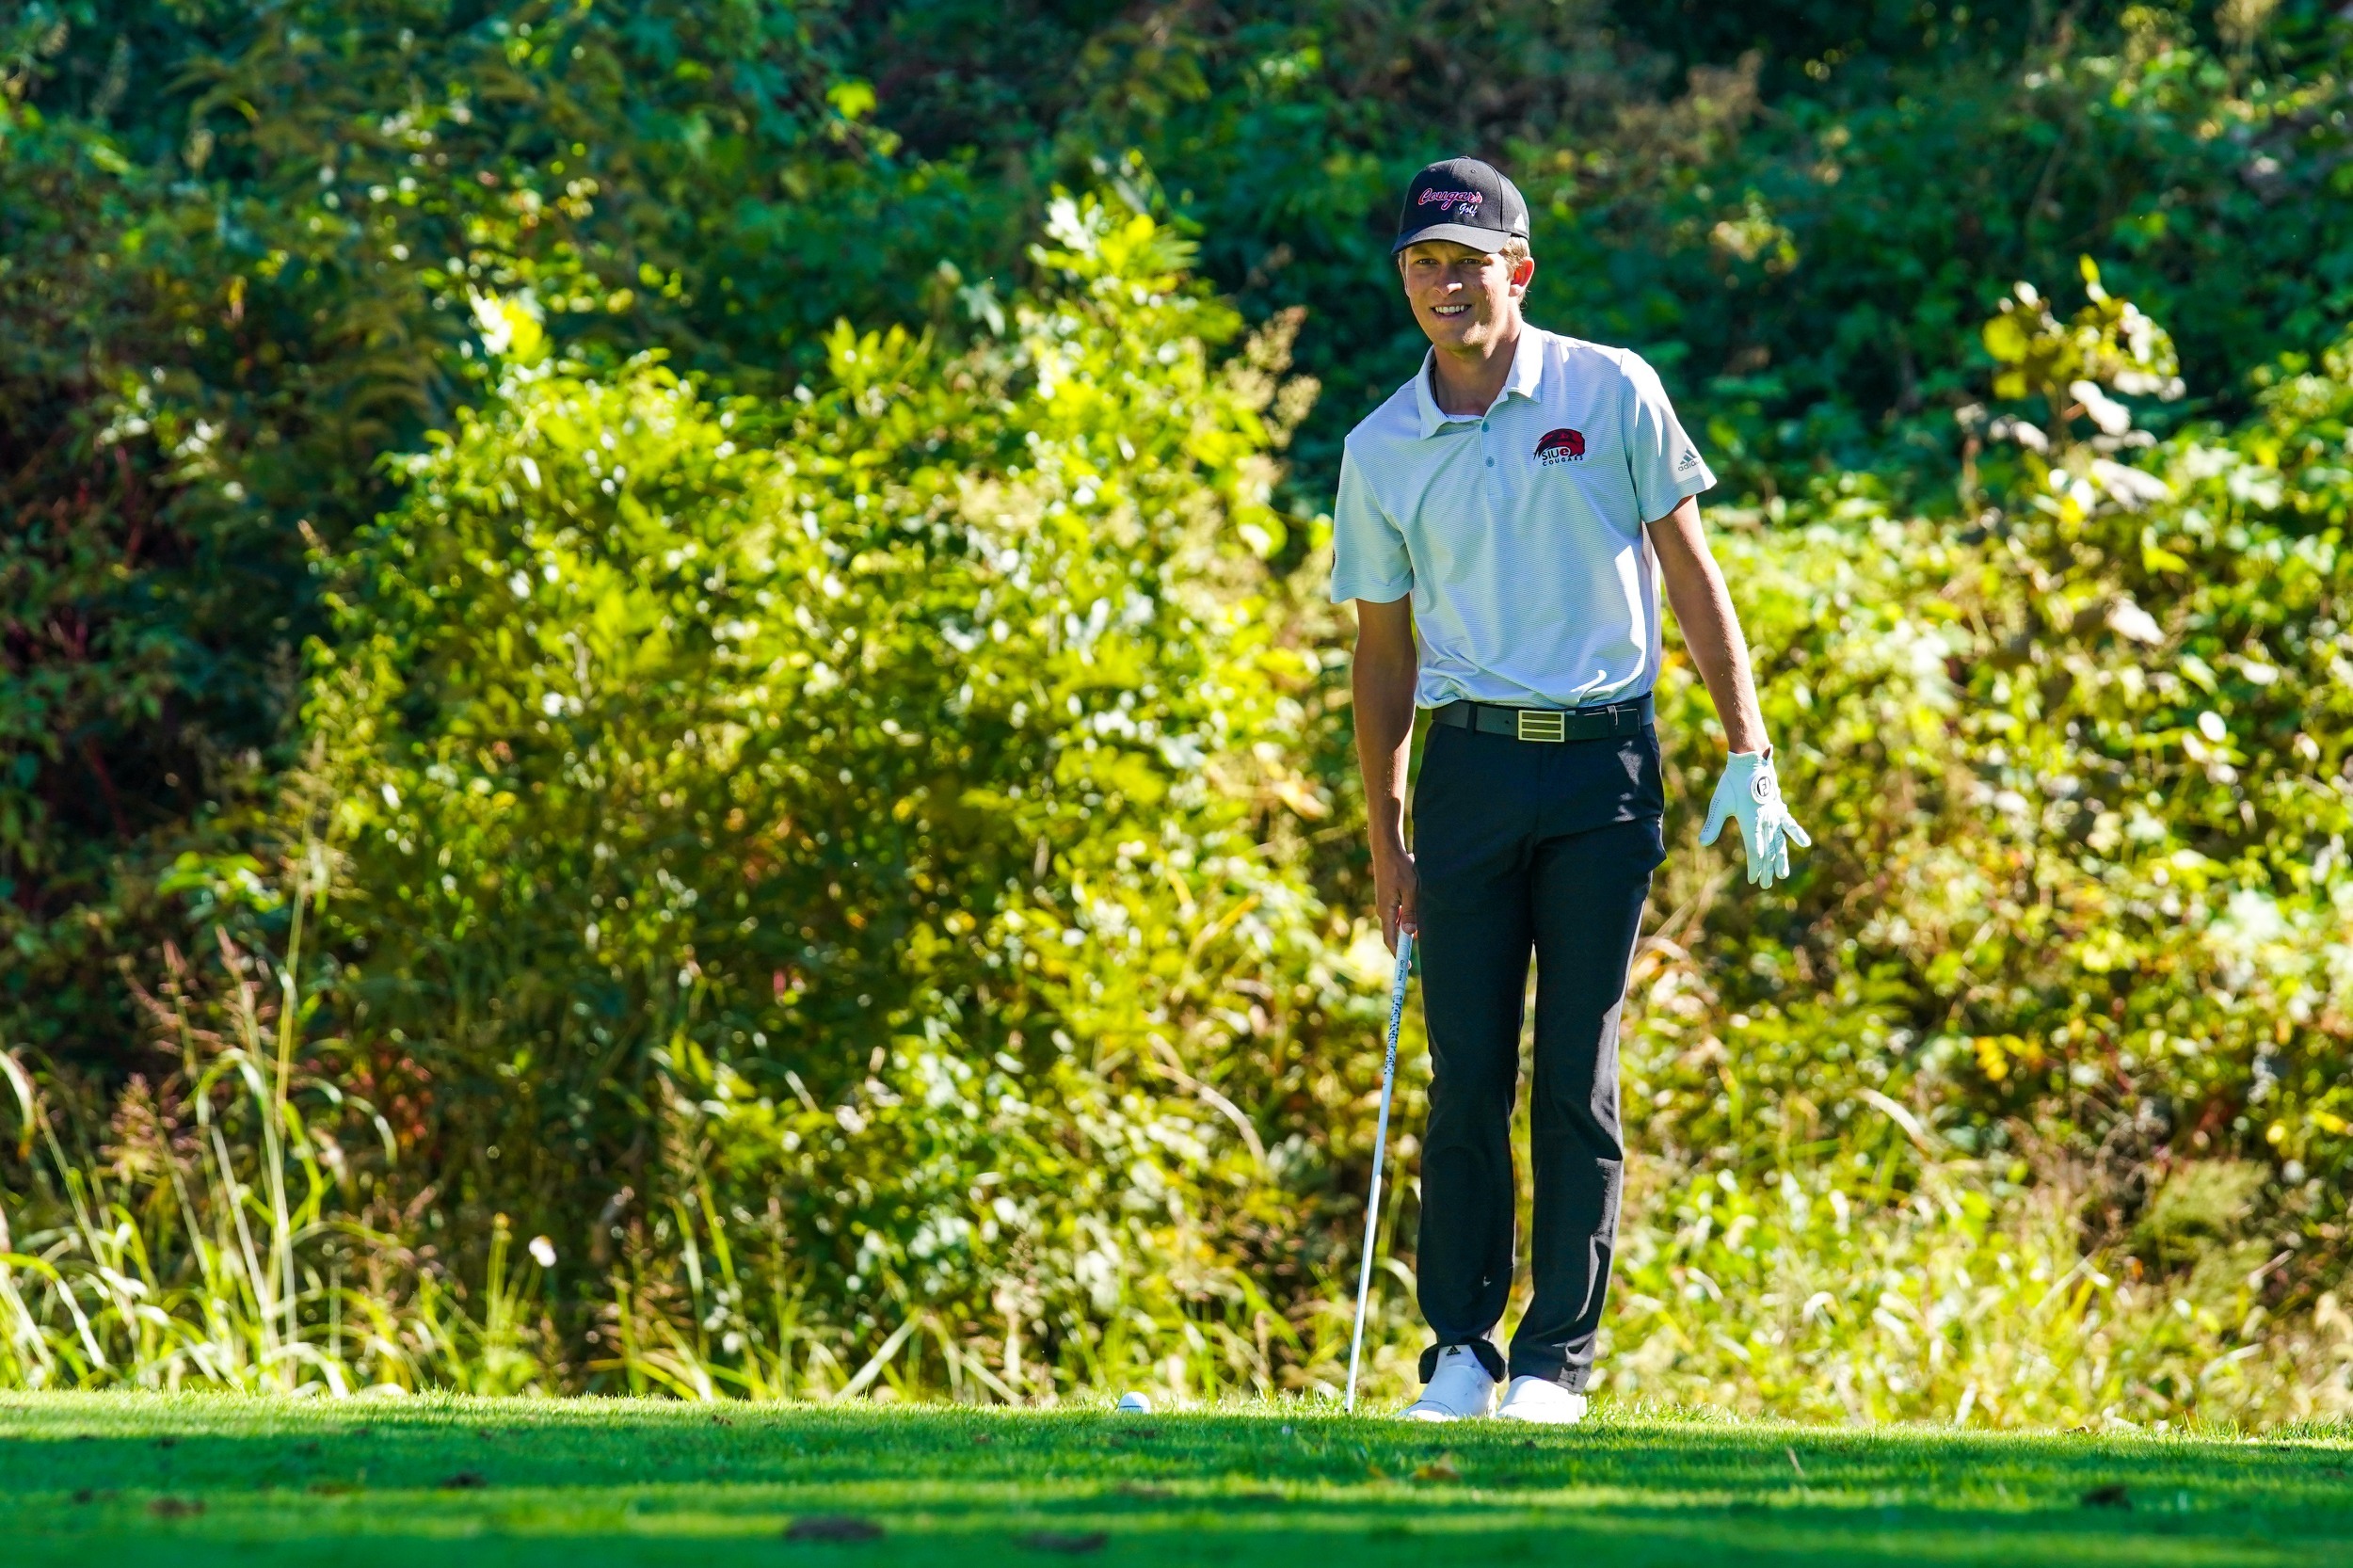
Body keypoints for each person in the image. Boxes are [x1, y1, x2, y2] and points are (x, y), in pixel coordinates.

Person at [1334, 156, 1809, 1424]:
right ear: (1405, 280)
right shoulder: (1379, 447)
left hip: (1606, 762)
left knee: (1576, 1075)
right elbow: (1383, 653)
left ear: (1519, 271)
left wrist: (1745, 744)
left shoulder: (1610, 390)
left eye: (1469, 261)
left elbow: (1693, 574)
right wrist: (1384, 834)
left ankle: (1556, 1363)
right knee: (1468, 1070)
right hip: (1469, 766)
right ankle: (1459, 1351)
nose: (1445, 283)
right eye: (1424, 263)